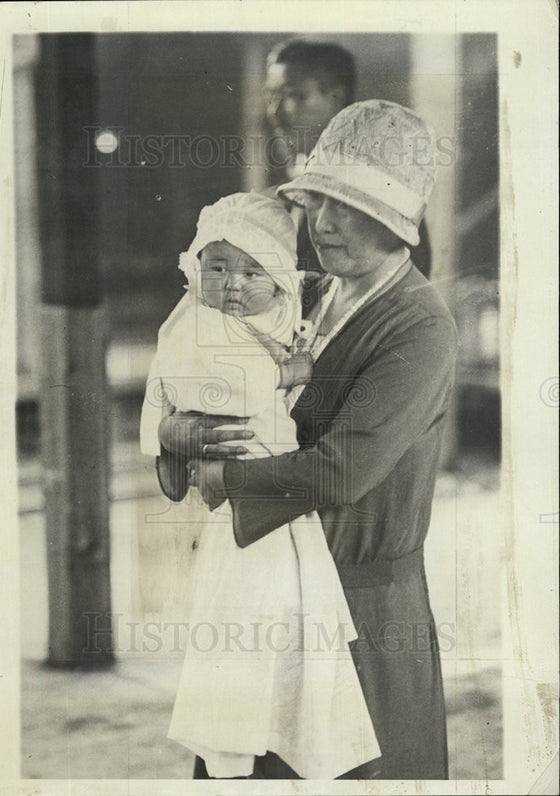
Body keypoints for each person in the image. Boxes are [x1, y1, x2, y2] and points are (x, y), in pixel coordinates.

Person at [159, 100, 457, 780]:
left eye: (347, 208)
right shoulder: (306, 293)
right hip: (270, 593)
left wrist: (224, 480)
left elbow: (345, 469)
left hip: (362, 613)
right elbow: (194, 373)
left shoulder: (418, 327)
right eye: (318, 201)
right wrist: (175, 433)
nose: (322, 223)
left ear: (394, 222)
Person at [140, 192, 380, 779]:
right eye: (217, 267)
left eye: (253, 271)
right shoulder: (200, 320)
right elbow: (204, 390)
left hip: (297, 502)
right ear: (196, 267)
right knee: (247, 618)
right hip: (246, 494)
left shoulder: (310, 304)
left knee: (285, 624)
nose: (232, 284)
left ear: (280, 277)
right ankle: (236, 738)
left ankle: (275, 736)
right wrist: (177, 429)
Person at [263, 37, 432, 279]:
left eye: (294, 96)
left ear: (336, 97)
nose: (275, 111)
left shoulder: (381, 189)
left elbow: (409, 283)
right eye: (271, 96)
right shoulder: (280, 196)